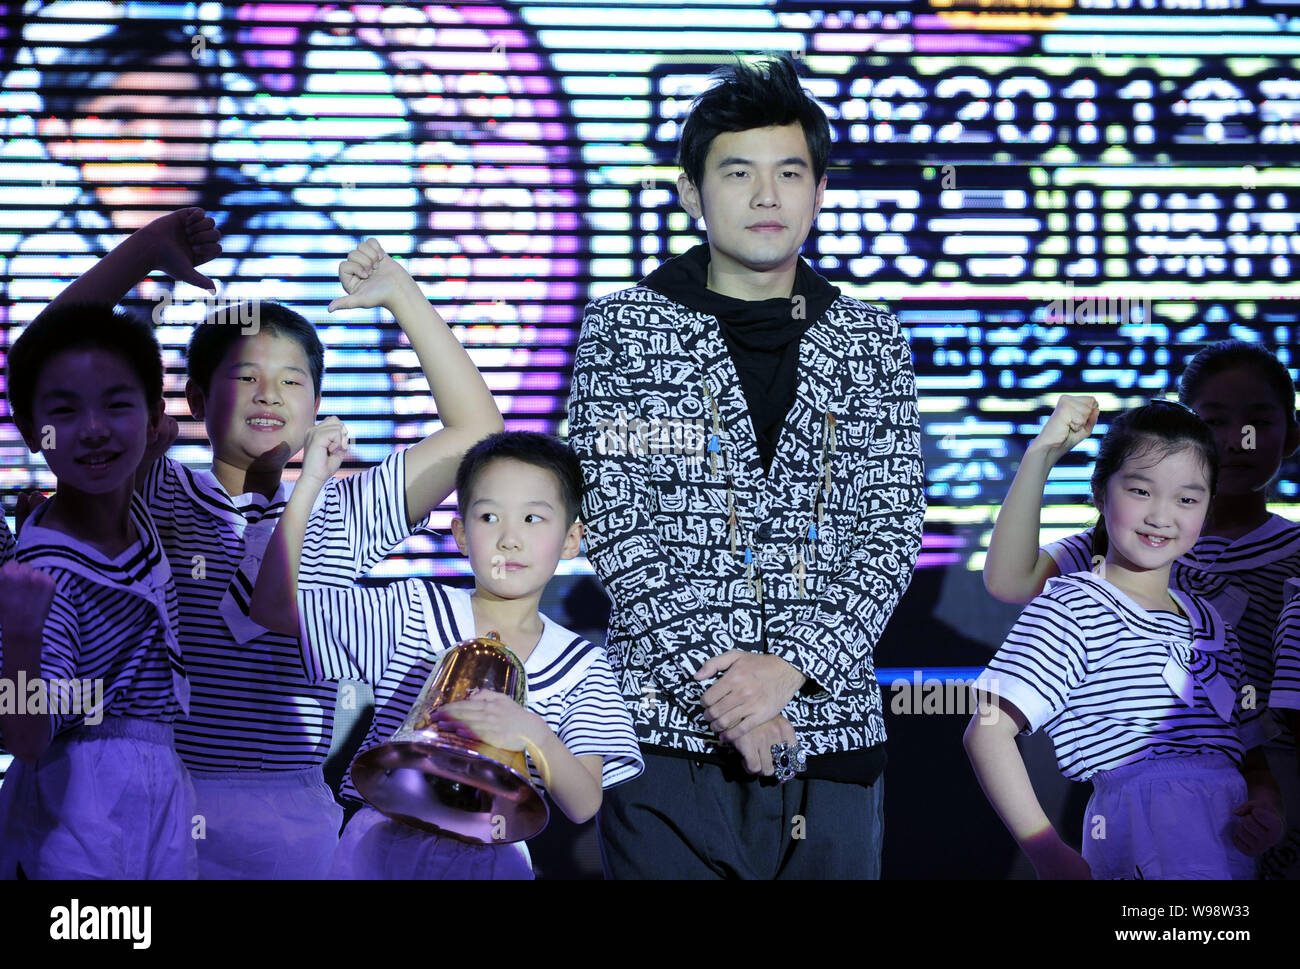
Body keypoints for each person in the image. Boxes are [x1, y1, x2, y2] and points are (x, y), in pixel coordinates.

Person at [44, 216, 504, 878]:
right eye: (247, 376)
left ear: (318, 402)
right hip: (167, 791)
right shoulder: (156, 490)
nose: (270, 393)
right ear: (197, 399)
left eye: (292, 380)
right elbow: (53, 359)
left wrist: (404, 294)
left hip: (294, 807)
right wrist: (140, 254)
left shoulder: (343, 511)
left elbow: (477, 431)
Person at [567, 55, 925, 879]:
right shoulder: (623, 330)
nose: (767, 196)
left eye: (789, 172)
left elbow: (890, 524)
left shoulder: (871, 338)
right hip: (667, 732)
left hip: (827, 731)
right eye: (738, 173)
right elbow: (621, 526)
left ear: (818, 191)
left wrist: (790, 668)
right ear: (691, 193)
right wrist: (733, 698)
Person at [248, 431, 644, 878]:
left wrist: (532, 733)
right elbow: (272, 608)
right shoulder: (413, 609)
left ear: (572, 540)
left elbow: (585, 803)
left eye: (533, 518)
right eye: (489, 516)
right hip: (381, 845)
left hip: (492, 857)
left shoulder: (582, 665)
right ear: (459, 533)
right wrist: (309, 483)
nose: (509, 539)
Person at [983, 341, 1300, 877]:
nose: (1235, 438)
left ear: (1292, 433)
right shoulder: (1102, 559)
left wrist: (1267, 797)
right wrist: (1041, 453)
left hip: (1258, 793)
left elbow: (1247, 734)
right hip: (1146, 803)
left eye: (1257, 420)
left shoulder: (1239, 592)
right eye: (1214, 420)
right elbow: (1012, 582)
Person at [0, 304, 195, 878]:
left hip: (158, 787)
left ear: (153, 415)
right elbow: (26, 736)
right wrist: (20, 633)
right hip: (78, 801)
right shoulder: (50, 573)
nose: (92, 428)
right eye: (64, 411)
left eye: (116, 404)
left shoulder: (126, 498)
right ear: (35, 433)